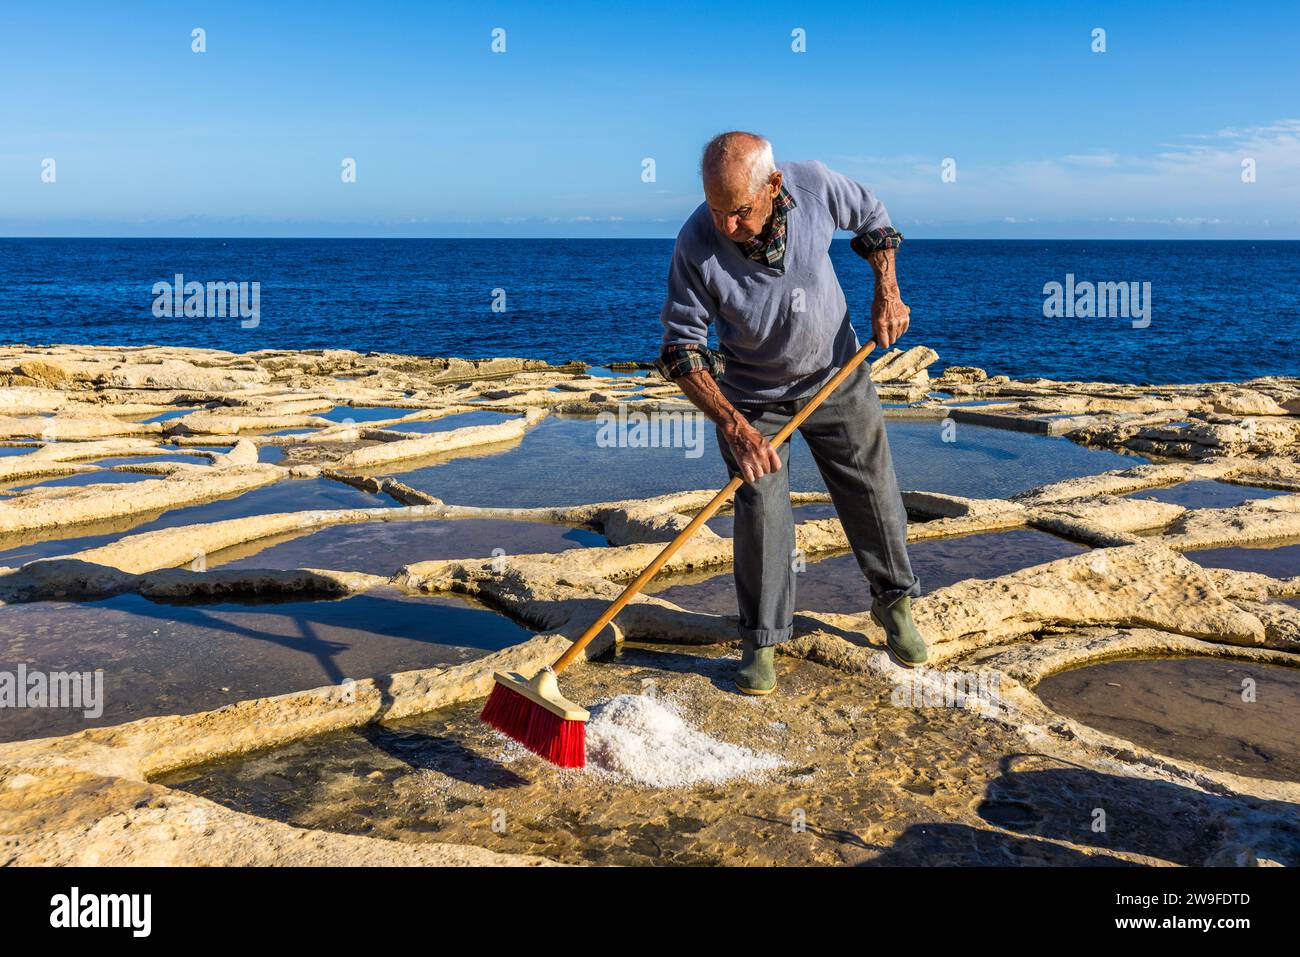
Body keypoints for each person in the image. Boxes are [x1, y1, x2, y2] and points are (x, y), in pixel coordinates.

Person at [656, 130, 927, 695]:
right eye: (714, 209)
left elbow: (873, 218)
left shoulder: (815, 185)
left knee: (873, 491)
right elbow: (682, 348)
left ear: (774, 185)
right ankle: (762, 640)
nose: (726, 226)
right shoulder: (695, 243)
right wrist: (732, 426)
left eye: (739, 211)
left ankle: (894, 605)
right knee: (760, 513)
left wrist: (887, 290)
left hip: (836, 374)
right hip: (752, 399)